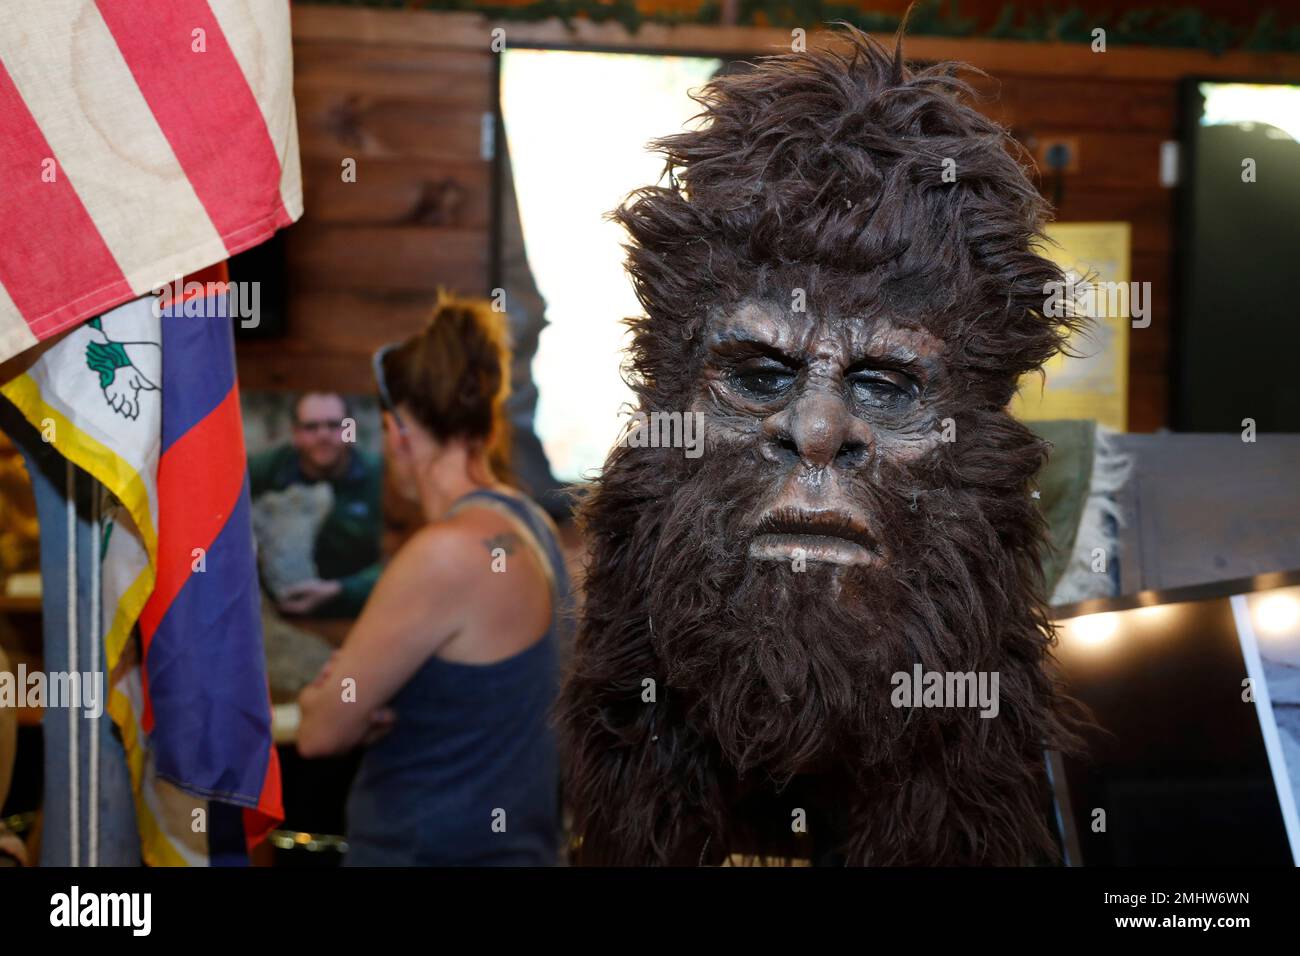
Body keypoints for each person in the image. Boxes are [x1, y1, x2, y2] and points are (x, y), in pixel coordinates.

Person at [295, 295, 568, 866]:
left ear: (398, 432)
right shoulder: (534, 526)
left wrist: (333, 695)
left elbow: (320, 732)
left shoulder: (445, 554)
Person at [249, 392, 382, 617]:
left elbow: (404, 560)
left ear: (350, 430)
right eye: (311, 427)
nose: (323, 435)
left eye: (334, 425)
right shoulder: (265, 470)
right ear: (295, 434)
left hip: (359, 613)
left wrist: (342, 589)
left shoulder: (379, 477)